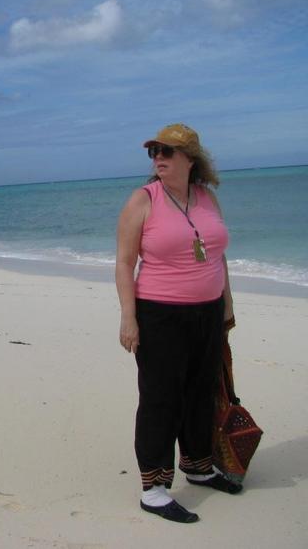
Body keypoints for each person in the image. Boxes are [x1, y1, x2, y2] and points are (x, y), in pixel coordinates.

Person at [115, 123, 242, 524]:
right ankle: (153, 488)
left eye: (167, 152)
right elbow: (124, 262)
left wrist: (226, 304)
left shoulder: (206, 198)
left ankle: (198, 466)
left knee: (200, 392)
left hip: (207, 312)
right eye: (154, 152)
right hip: (159, 314)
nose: (159, 159)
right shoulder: (143, 199)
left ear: (191, 159)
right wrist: (128, 318)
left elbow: (217, 254)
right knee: (161, 399)